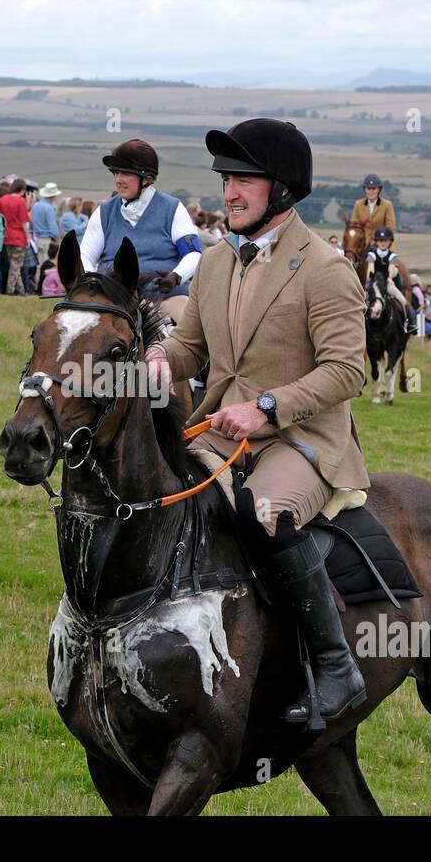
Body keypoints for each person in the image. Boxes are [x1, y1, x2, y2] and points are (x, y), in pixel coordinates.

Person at [144, 118, 368, 725]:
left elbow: (348, 370)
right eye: (226, 180)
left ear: (284, 190)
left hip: (302, 440)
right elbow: (192, 347)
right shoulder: (214, 264)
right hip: (219, 431)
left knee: (260, 516)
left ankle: (335, 666)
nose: (231, 192)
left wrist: (266, 406)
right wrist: (162, 356)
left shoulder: (325, 269)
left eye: (244, 179)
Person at [79, 138, 201, 297]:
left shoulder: (173, 209)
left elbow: (193, 253)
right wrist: (92, 280)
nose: (118, 180)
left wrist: (176, 276)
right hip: (115, 301)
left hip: (164, 299)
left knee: (187, 318)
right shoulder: (103, 212)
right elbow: (86, 255)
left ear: (147, 179)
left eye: (125, 173)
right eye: (116, 173)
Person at [363, 226, 415, 333]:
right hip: (373, 284)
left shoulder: (393, 256)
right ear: (376, 242)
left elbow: (391, 270)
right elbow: (370, 268)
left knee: (404, 301)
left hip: (387, 283)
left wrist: (388, 278)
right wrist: (369, 279)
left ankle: (411, 324)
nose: (382, 243)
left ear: (390, 242)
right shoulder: (371, 254)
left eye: (385, 240)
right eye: (380, 240)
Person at [0, 179, 30, 295]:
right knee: (16, 266)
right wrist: (28, 237)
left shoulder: (5, 198)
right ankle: (10, 290)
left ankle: (21, 291)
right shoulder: (20, 201)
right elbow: (23, 222)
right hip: (19, 237)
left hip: (8, 235)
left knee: (14, 264)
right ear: (22, 190)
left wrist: (4, 216)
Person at [32, 182, 62, 267]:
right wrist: (58, 241)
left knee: (39, 265)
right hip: (47, 241)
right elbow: (53, 228)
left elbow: (31, 222)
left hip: (37, 239)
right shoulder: (49, 208)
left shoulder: (35, 205)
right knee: (48, 266)